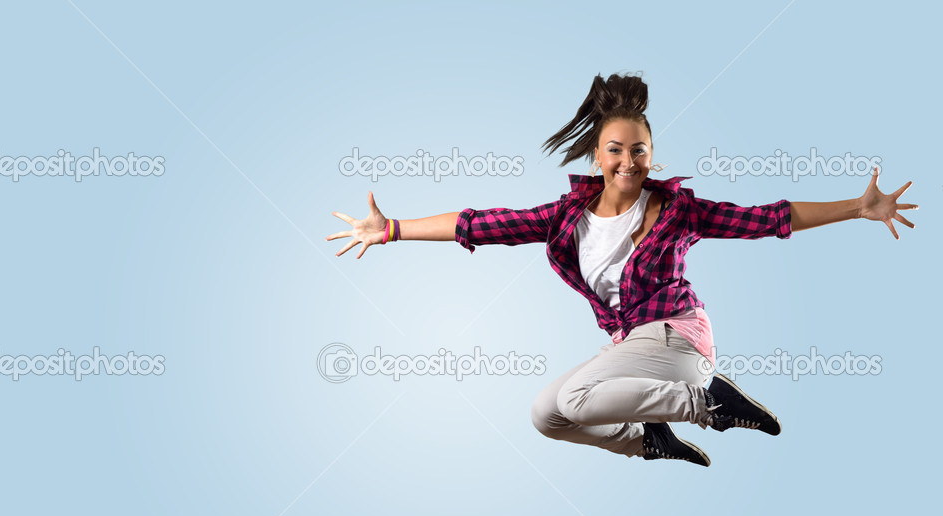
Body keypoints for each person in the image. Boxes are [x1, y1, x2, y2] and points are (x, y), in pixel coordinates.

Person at [326, 73, 917, 466]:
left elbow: (767, 217)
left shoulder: (678, 209)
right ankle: (648, 438)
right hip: (633, 345)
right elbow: (480, 223)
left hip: (676, 337)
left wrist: (856, 208)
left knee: (577, 398)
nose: (629, 160)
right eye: (616, 149)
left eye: (639, 150)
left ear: (650, 154)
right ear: (597, 155)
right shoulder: (566, 217)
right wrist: (393, 229)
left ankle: (706, 401)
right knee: (546, 416)